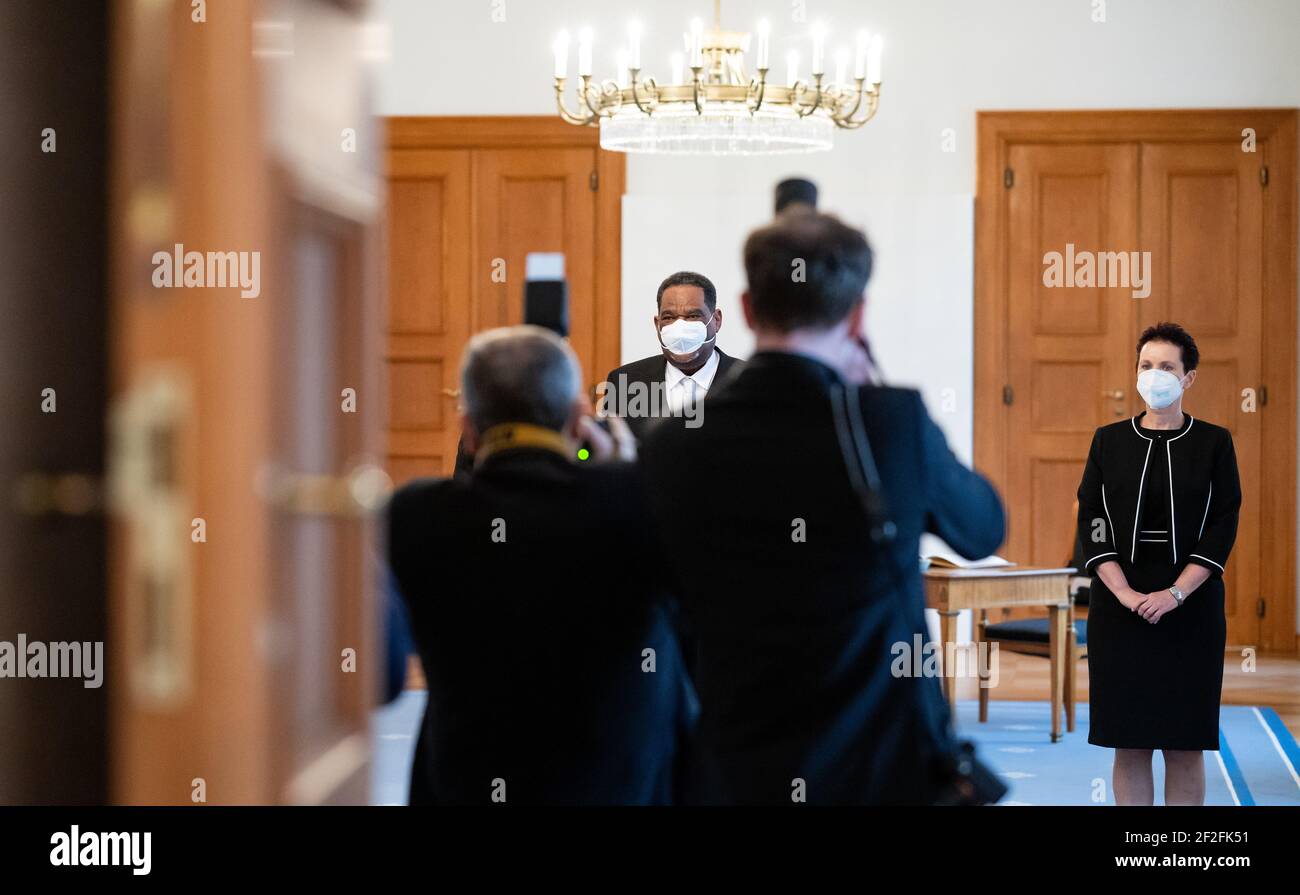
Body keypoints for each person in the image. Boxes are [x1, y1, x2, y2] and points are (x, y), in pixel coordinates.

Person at [640, 211, 1006, 805]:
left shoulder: (672, 442)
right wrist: (880, 397)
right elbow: (983, 528)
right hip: (878, 762)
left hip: (736, 760)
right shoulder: (891, 422)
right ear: (858, 315)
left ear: (747, 311)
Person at [385, 325, 697, 805]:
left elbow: (381, 670)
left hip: (466, 781)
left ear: (466, 428)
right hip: (616, 784)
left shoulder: (415, 515)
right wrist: (630, 472)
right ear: (579, 418)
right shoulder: (638, 504)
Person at [1076, 322, 1241, 806]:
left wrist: (1174, 594)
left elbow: (1223, 523)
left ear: (1188, 377)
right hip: (1120, 608)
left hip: (1190, 606)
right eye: (1146, 366)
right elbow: (1092, 520)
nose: (1155, 375)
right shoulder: (1107, 441)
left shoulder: (1215, 442)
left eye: (1167, 366)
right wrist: (1125, 593)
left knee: (1185, 745)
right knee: (1129, 743)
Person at [601, 271, 744, 441]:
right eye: (669, 317)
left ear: (716, 320)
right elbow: (613, 457)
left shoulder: (748, 381)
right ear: (657, 323)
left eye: (693, 316)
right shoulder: (624, 381)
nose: (680, 328)